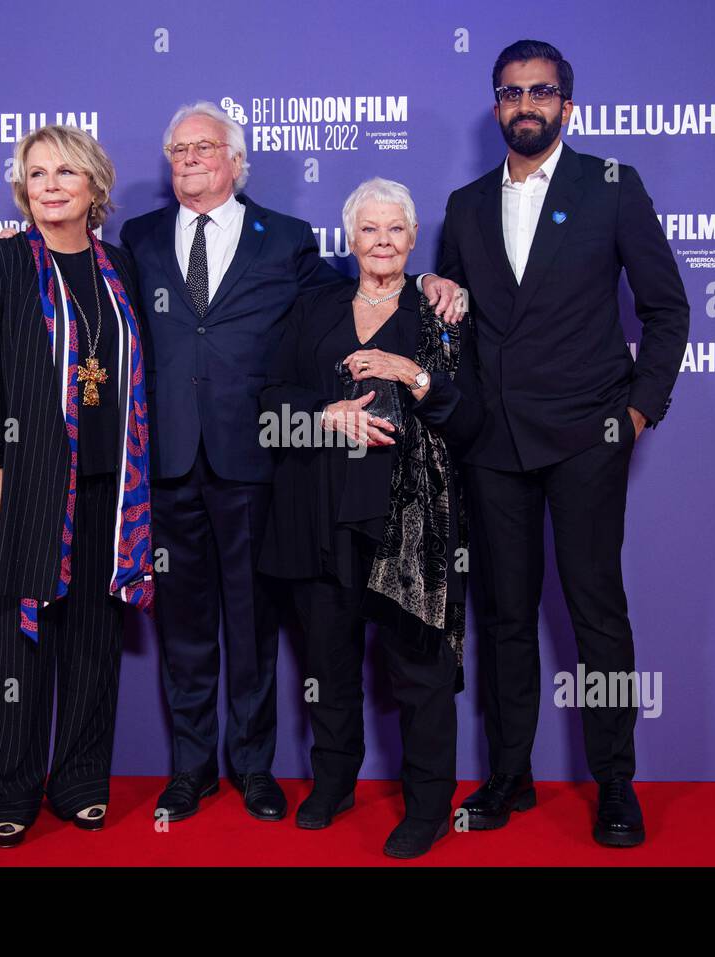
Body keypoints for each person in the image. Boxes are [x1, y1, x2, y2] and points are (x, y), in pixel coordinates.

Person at [119, 103, 466, 824]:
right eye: (177, 148)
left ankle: (252, 768)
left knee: (252, 627)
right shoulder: (139, 236)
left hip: (255, 461)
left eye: (205, 147)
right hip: (171, 460)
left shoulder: (287, 239)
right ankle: (191, 770)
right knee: (183, 628)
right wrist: (19, 242)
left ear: (236, 161)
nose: (189, 159)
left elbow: (368, 279)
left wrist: (433, 278)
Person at [434, 39, 690, 846]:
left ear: (567, 106)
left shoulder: (612, 187)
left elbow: (667, 309)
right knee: (506, 616)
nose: (526, 105)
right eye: (511, 93)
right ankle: (511, 775)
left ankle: (616, 781)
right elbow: (456, 326)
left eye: (541, 92)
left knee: (595, 611)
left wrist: (639, 411)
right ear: (497, 104)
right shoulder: (465, 204)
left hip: (587, 436)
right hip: (494, 446)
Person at [0, 124, 154, 848]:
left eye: (67, 172)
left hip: (111, 481)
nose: (52, 185)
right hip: (28, 477)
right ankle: (8, 787)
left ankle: (81, 780)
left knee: (96, 637)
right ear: (22, 189)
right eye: (37, 174)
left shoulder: (119, 267)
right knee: (15, 640)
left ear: (95, 185)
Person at [260, 178, 483, 859]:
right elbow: (267, 405)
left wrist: (410, 373)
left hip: (409, 526)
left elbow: (469, 419)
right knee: (326, 662)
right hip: (319, 514)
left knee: (419, 674)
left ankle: (427, 805)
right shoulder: (314, 306)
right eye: (369, 229)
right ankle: (332, 783)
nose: (382, 240)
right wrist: (323, 415)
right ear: (349, 239)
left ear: (413, 241)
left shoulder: (439, 309)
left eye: (395, 230)